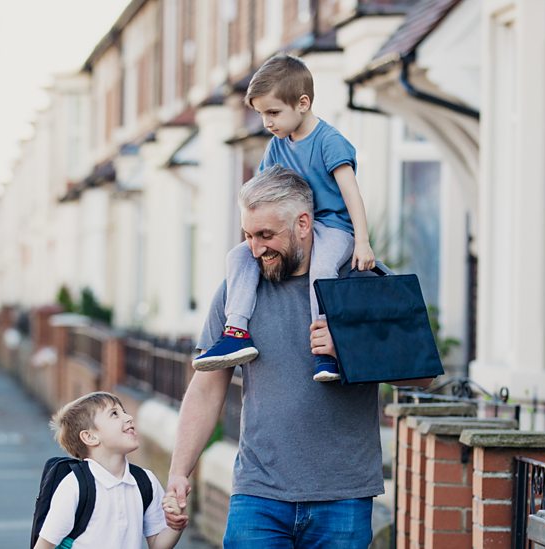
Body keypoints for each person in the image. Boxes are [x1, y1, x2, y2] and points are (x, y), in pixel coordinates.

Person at [165, 167, 432, 548]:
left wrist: (352, 347)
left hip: (343, 497)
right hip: (258, 495)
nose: (255, 249)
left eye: (266, 235)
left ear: (303, 224)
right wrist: (179, 470)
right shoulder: (237, 292)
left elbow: (422, 376)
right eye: (248, 235)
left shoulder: (360, 281)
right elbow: (207, 390)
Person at [192, 54, 375, 383]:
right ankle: (236, 331)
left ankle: (324, 352)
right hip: (298, 227)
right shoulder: (277, 146)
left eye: (273, 112)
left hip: (333, 227)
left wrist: (361, 241)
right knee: (239, 255)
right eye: (262, 114)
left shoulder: (328, 142)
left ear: (303, 103)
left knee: (321, 267)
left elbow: (352, 193)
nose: (266, 122)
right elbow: (260, 192)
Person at [34, 391, 186, 549]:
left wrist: (175, 524)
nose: (128, 417)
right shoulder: (74, 486)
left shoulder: (145, 481)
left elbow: (157, 544)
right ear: (90, 437)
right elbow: (44, 545)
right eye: (114, 414)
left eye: (124, 412)